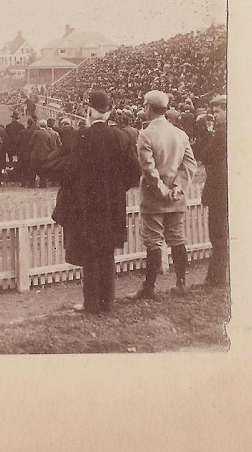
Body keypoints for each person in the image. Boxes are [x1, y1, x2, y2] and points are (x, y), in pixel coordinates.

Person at [47, 90, 140, 314]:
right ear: (109, 112)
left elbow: (69, 170)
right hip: (112, 205)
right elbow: (134, 172)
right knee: (107, 253)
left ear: (89, 111)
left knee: (90, 255)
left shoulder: (82, 137)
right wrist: (117, 189)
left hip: (87, 205)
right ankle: (107, 302)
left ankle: (91, 304)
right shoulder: (122, 137)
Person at [133, 90, 199, 299]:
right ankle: (181, 283)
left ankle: (149, 288)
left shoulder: (146, 133)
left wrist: (162, 191)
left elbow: (148, 168)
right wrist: (178, 188)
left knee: (153, 241)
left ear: (148, 109)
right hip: (176, 196)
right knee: (177, 238)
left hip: (155, 197)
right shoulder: (180, 134)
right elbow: (190, 164)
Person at [201, 94, 228, 288]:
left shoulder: (220, 133)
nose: (214, 115)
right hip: (222, 189)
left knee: (218, 234)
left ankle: (216, 277)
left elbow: (207, 156)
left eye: (218, 111)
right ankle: (216, 275)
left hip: (219, 190)